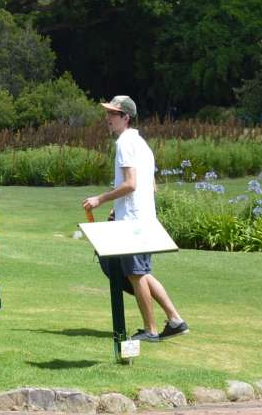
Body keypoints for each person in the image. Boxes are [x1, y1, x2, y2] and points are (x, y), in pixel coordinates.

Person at [82, 96, 188, 342]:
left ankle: (150, 330)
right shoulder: (142, 144)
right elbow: (150, 187)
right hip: (142, 219)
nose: (107, 118)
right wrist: (117, 210)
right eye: (107, 113)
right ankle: (175, 320)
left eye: (112, 114)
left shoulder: (125, 144)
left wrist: (101, 199)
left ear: (125, 118)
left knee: (137, 275)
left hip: (133, 224)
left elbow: (131, 184)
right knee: (142, 272)